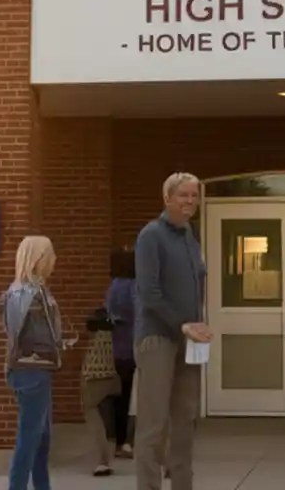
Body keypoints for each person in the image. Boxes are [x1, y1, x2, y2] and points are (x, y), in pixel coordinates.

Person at [134, 171, 209, 490]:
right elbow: (149, 293)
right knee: (154, 426)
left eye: (194, 195)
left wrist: (198, 324)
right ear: (167, 198)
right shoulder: (151, 235)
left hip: (189, 341)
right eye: (184, 195)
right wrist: (182, 324)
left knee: (185, 421)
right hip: (157, 339)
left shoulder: (191, 236)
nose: (190, 201)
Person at [0, 235, 72, 490]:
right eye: (51, 254)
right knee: (29, 438)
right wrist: (54, 343)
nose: (55, 259)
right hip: (31, 370)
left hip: (34, 370)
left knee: (41, 439)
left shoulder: (29, 291)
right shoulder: (28, 293)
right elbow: (16, 332)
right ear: (38, 259)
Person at [105, 249, 138, 458]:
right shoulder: (134, 287)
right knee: (134, 397)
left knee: (120, 396)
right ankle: (127, 441)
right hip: (134, 346)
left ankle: (117, 440)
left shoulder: (113, 287)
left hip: (116, 347)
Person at [81, 306, 121, 476]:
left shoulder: (95, 337)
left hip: (94, 379)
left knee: (92, 415)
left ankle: (102, 461)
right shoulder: (114, 336)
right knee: (110, 419)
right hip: (113, 378)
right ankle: (112, 452)